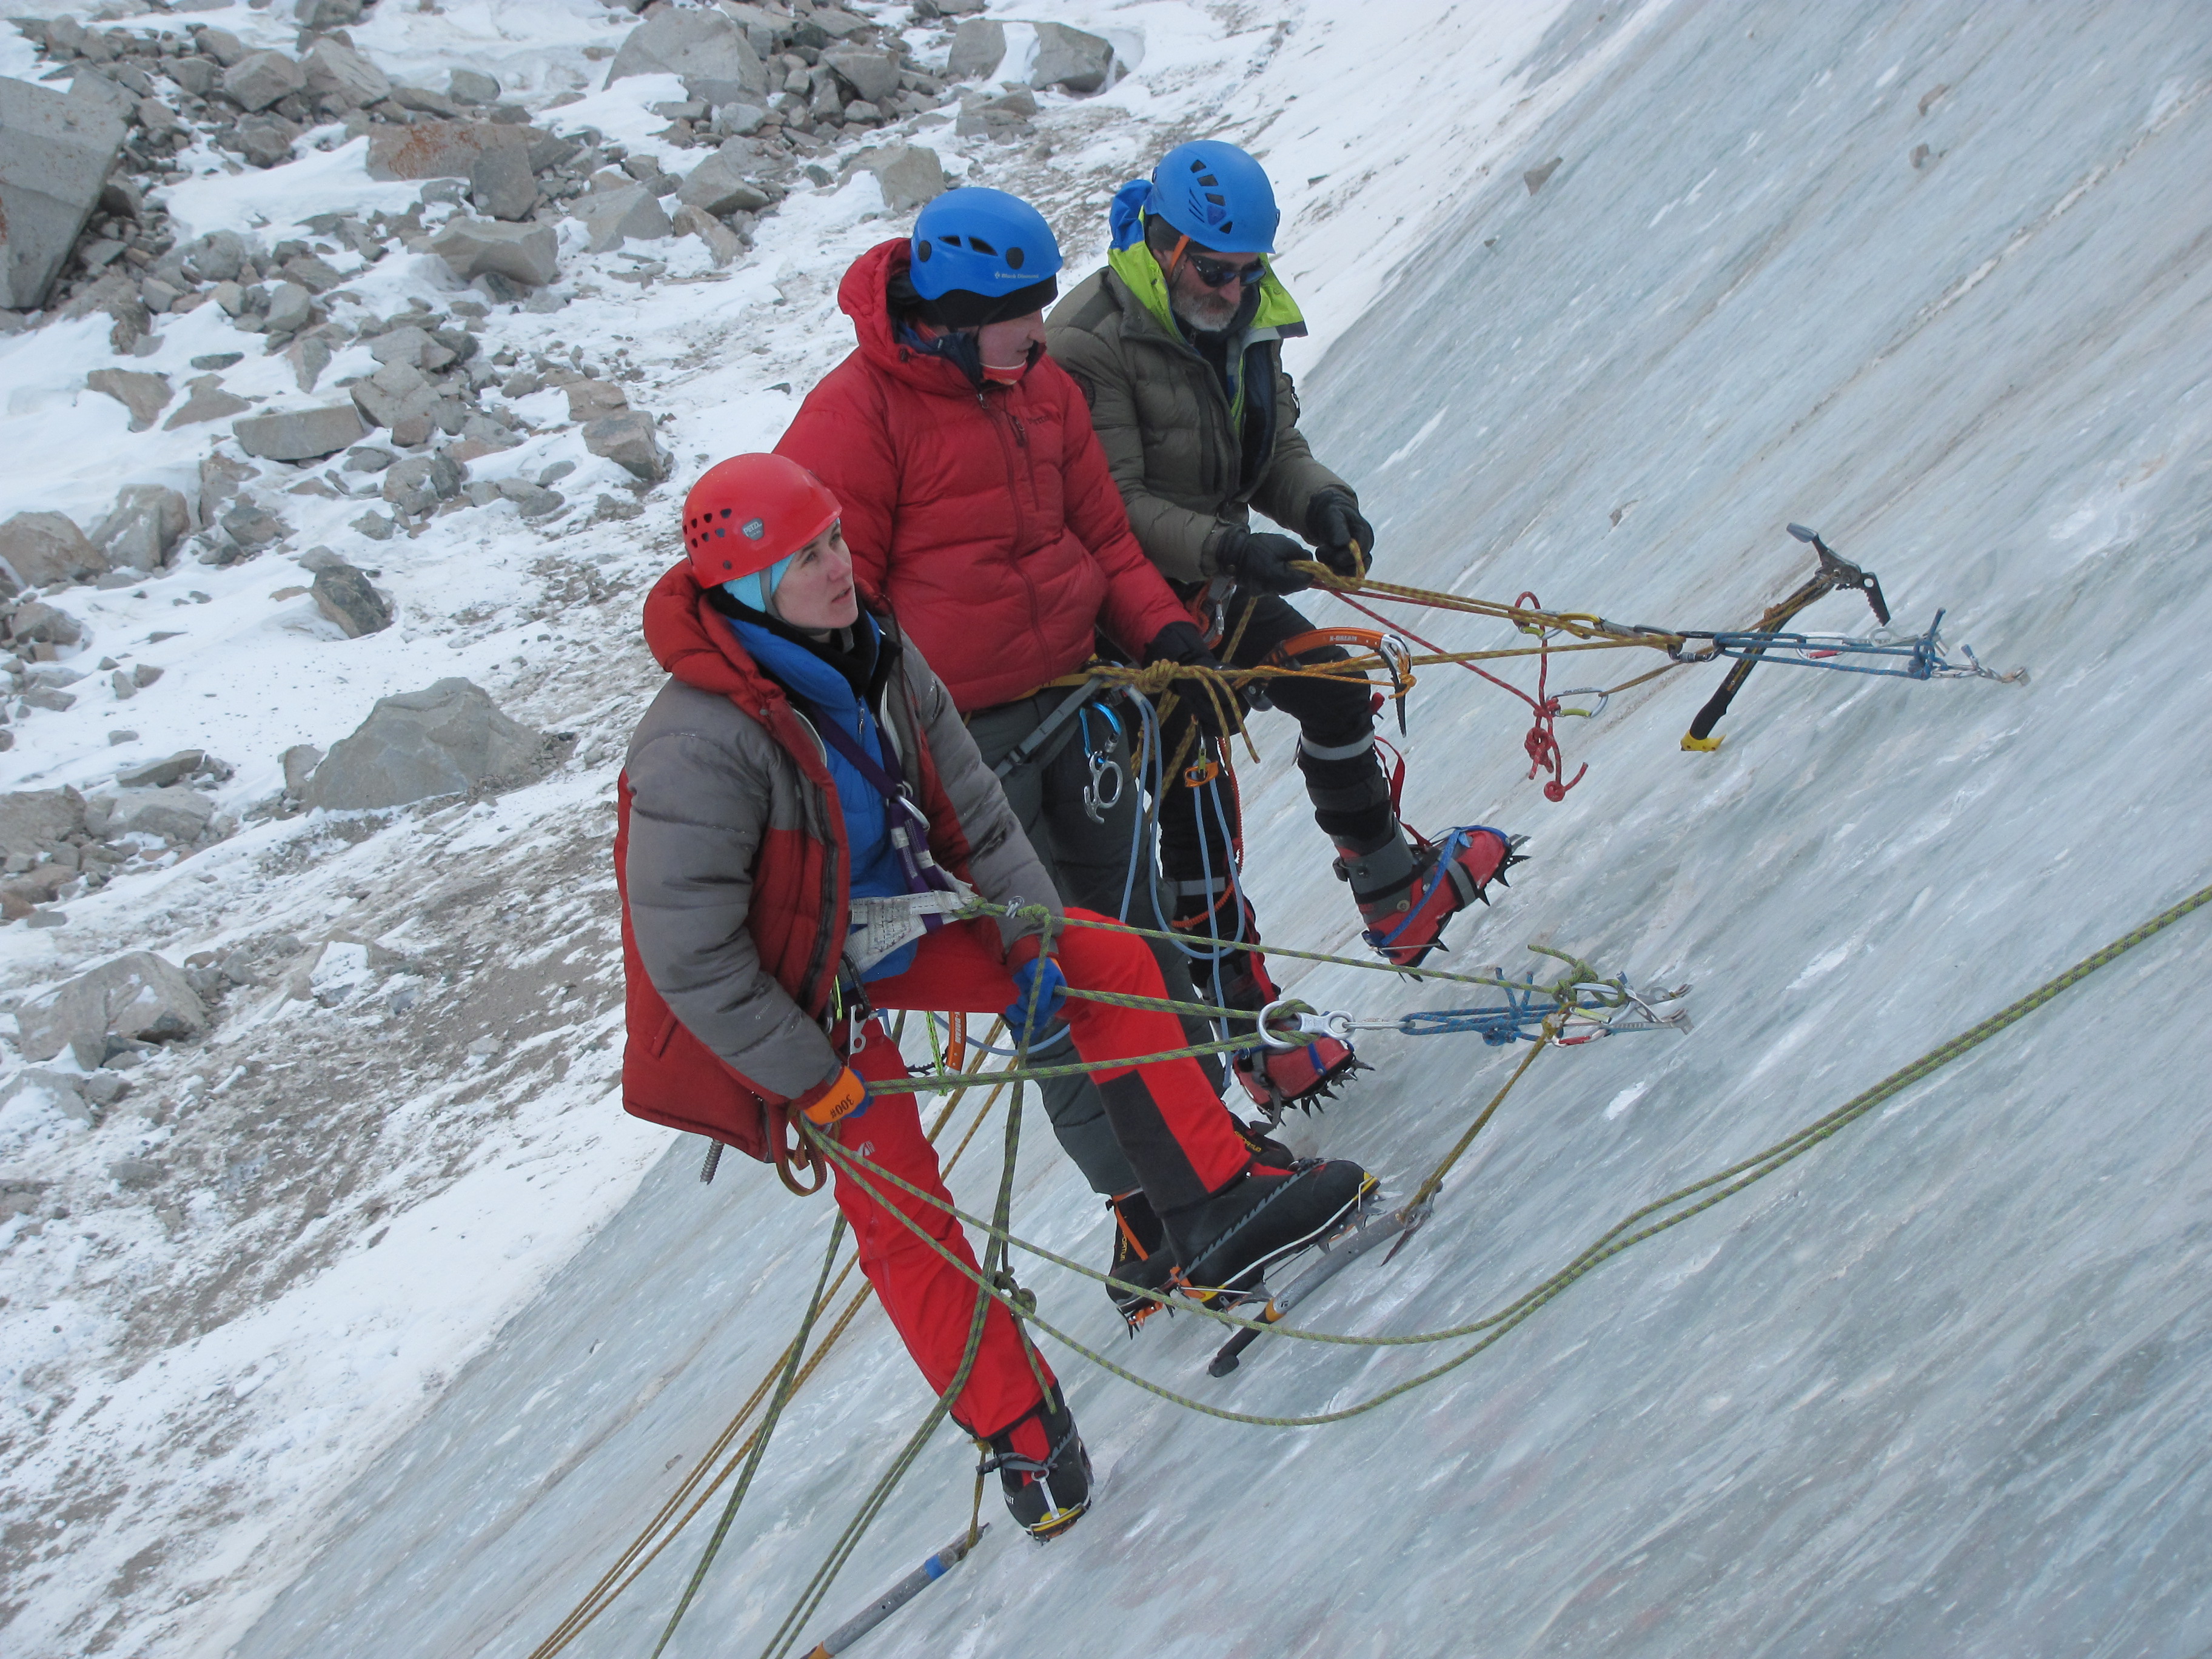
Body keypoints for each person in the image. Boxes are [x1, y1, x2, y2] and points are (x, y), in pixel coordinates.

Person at [617, 453, 1374, 1538]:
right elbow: (694, 962)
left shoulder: (871, 647)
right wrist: (814, 1083)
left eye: (835, 538)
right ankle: (1018, 1427)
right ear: (747, 592)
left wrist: (1029, 945)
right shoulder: (694, 748)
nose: (839, 567)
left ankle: (1217, 1211)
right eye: (808, 558)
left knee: (1101, 960)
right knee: (896, 1197)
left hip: (890, 921)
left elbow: (970, 799)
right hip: (790, 994)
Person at [774, 187, 1261, 1321]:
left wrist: (1163, 628)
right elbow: (837, 612)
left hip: (1072, 705)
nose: (1042, 330)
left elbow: (1098, 530)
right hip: (963, 755)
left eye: (1043, 307)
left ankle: (1212, 1161)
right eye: (1019, 312)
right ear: (952, 312)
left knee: (1136, 943)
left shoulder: (1037, 389)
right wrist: (903, 754)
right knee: (1058, 978)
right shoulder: (857, 419)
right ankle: (1150, 1212)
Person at [1048, 142, 1524, 1111]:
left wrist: (1321, 508)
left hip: (1214, 591)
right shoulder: (1086, 344)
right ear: (1165, 244)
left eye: (1248, 269)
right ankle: (1255, 1041)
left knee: (1333, 684)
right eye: (1216, 270)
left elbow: (1270, 447)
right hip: (1128, 628)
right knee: (1197, 822)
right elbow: (1114, 506)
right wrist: (1231, 552)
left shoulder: (1243, 313)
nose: (1234, 287)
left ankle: (1393, 892)